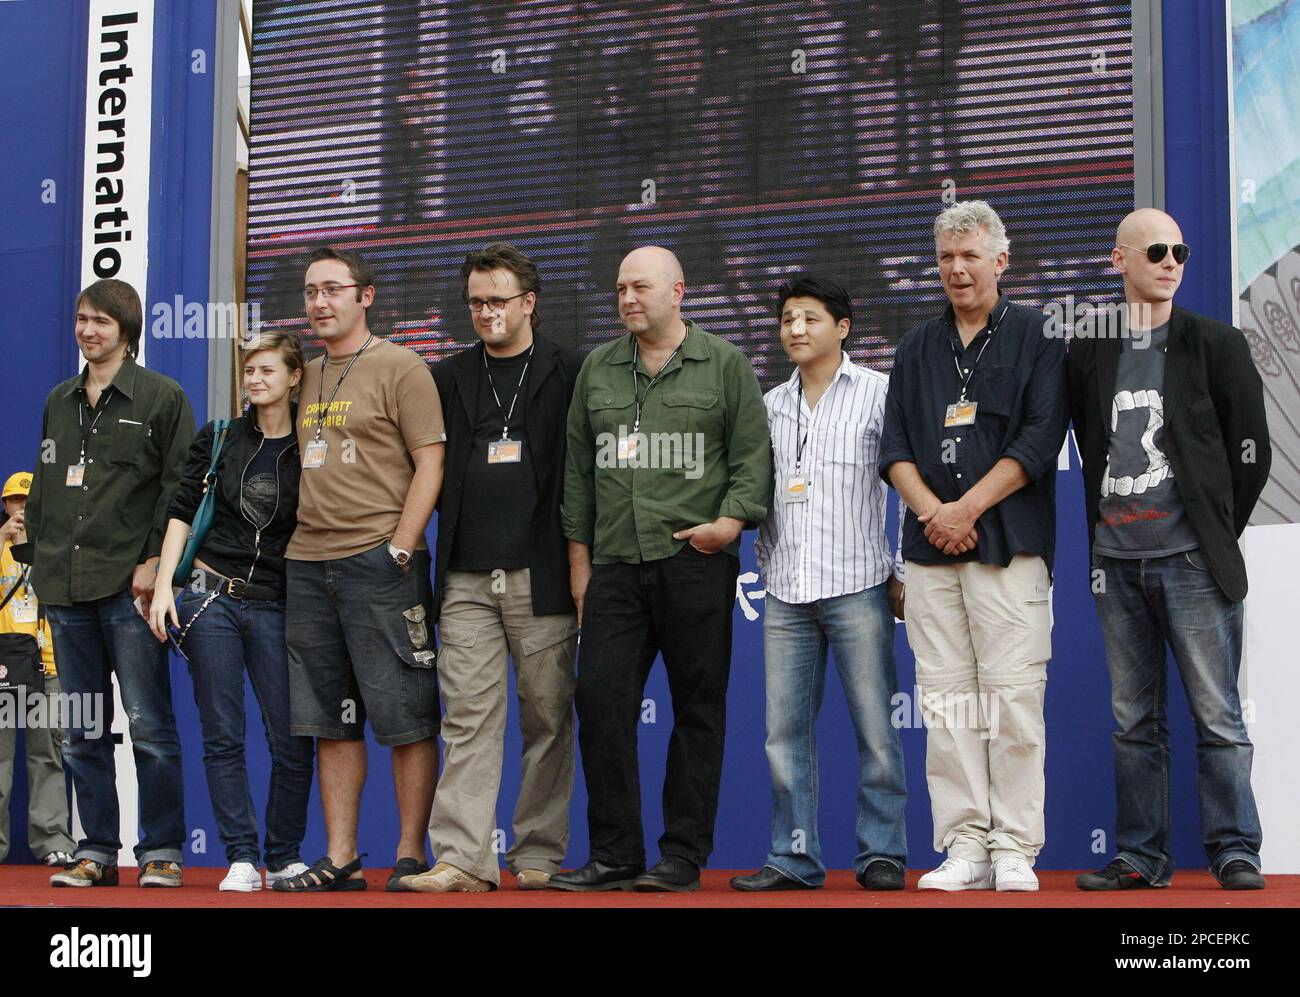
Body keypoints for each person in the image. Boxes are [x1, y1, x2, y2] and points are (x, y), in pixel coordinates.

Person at [551, 246, 772, 893]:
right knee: (600, 702)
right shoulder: (597, 369)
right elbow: (577, 478)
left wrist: (727, 525)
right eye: (620, 287)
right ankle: (615, 851)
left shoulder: (725, 364)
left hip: (694, 561)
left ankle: (681, 854)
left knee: (697, 711)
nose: (627, 298)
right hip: (615, 567)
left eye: (639, 287)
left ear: (678, 292)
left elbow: (751, 459)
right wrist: (579, 568)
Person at [1068, 208, 1271, 891]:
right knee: (1133, 721)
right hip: (1116, 564)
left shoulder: (1216, 344)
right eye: (1156, 249)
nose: (1172, 261)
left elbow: (1252, 454)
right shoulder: (1089, 348)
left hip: (1191, 562)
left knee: (1218, 714)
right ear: (1118, 259)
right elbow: (1083, 439)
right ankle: (1141, 856)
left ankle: (1236, 847)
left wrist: (1211, 530)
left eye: (1180, 250)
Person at [879, 201, 1068, 892]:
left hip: (1008, 547)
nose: (957, 269)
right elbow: (895, 446)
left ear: (1000, 260)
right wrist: (936, 514)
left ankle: (1015, 843)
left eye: (970, 256)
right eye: (946, 258)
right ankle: (965, 844)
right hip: (932, 554)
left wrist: (967, 508)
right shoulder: (916, 347)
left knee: (1014, 698)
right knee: (949, 702)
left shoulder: (1037, 336)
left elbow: (1038, 440)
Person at [401, 244, 582, 893]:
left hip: (543, 573)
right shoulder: (446, 376)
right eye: (475, 301)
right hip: (466, 576)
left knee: (548, 717)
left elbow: (582, 474)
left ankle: (536, 849)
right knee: (469, 719)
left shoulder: (570, 369)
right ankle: (462, 858)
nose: (485, 312)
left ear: (528, 302)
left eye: (497, 300)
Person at [273, 247, 446, 893]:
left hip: (381, 563)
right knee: (329, 721)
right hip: (308, 566)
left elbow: (431, 461)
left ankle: (407, 853)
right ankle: (341, 856)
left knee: (407, 714)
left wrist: (401, 545)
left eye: (333, 290)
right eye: (311, 291)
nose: (320, 302)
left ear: (365, 295)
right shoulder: (305, 375)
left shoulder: (402, 366)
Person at [731, 276, 908, 893]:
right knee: (784, 737)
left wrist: (903, 570)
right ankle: (794, 858)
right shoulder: (768, 403)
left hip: (859, 583)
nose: (796, 331)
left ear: (843, 327)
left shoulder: (881, 395)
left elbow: (907, 487)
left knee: (878, 732)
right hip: (783, 589)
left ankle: (882, 854)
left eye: (809, 318)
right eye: (786, 320)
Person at [18, 278, 195, 888]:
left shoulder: (162, 396)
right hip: (64, 592)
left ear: (127, 330)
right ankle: (95, 850)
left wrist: (155, 563)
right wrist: (39, 567)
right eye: (81, 319)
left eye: (101, 321)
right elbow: (41, 492)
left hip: (133, 590)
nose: (87, 330)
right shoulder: (58, 400)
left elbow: (180, 490)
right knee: (82, 729)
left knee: (150, 726)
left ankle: (162, 850)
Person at [148, 332, 316, 892]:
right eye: (249, 371)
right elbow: (182, 509)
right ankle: (242, 856)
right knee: (223, 734)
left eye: (268, 370)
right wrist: (169, 585)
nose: (256, 379)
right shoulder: (220, 437)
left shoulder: (315, 442)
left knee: (292, 738)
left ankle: (285, 853)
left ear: (295, 377)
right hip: (211, 596)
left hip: (280, 602)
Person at [0, 471, 75, 867]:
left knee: (48, 755)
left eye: (29, 503)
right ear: (4, 505)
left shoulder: (56, 547)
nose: (22, 510)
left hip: (48, 664)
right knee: (0, 758)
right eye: (15, 501)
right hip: (4, 667)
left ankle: (52, 842)